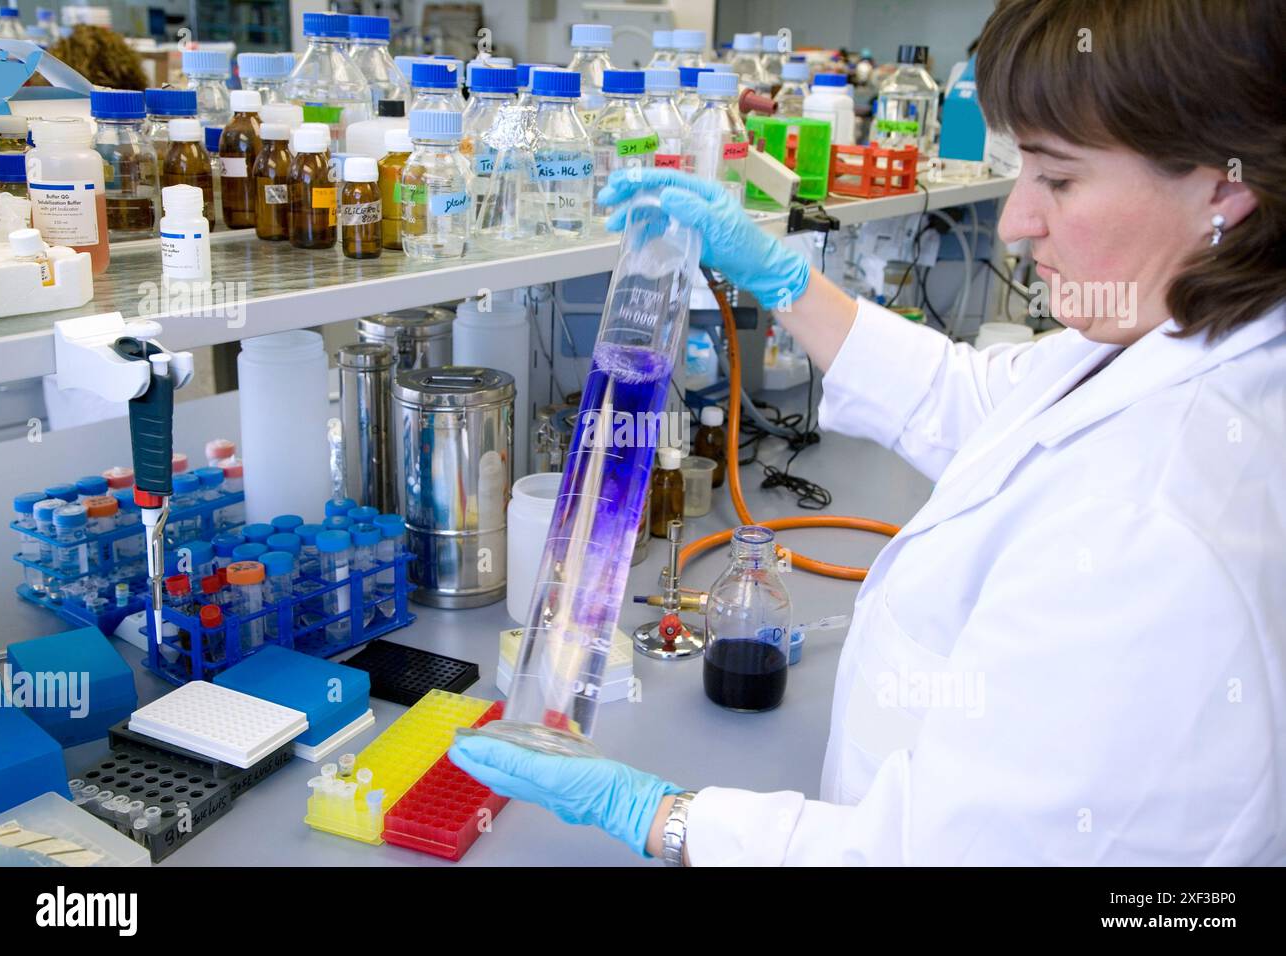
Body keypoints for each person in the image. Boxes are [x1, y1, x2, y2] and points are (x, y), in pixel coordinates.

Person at [451, 0, 1286, 865]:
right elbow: (975, 399)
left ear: (1222, 182)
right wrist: (783, 279)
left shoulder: (1164, 528)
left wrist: (660, 816)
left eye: (1060, 179)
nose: (1012, 222)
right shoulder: (1169, 333)